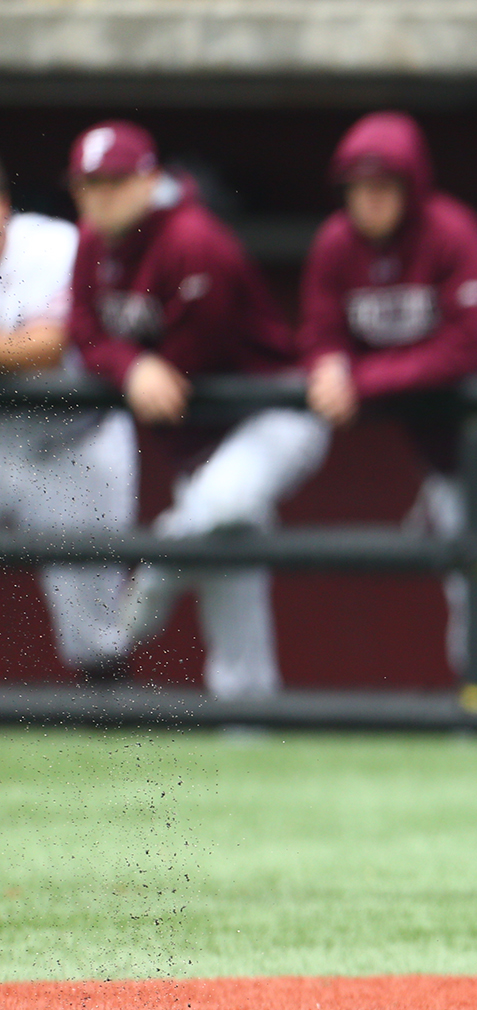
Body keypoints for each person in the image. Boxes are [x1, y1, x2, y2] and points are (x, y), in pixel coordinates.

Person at [301, 111, 477, 703]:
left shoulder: (451, 232)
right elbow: (320, 330)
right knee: (468, 585)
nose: (372, 199)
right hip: (448, 450)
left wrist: (361, 376)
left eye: (385, 185)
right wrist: (327, 362)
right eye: (359, 186)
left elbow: (465, 349)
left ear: (413, 186)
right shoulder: (335, 245)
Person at [67, 121, 328, 698]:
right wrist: (131, 364)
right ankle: (248, 726)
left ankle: (147, 592)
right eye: (88, 185)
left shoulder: (193, 239)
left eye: (113, 182)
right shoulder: (94, 240)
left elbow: (184, 370)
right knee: (230, 584)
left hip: (270, 416)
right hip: (199, 442)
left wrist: (139, 364)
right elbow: (84, 329)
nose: (99, 197)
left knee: (218, 507)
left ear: (149, 180)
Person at [0, 155, 136, 681]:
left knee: (94, 635)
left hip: (75, 440)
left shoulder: (57, 244)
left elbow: (48, 345)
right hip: (5, 436)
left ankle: (109, 735)